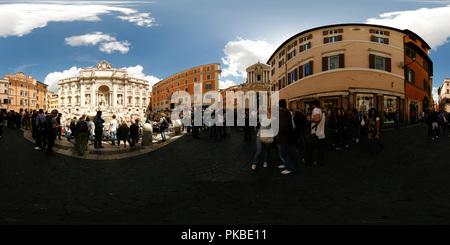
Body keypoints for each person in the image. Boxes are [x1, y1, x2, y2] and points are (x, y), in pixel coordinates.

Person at [305, 100, 326, 167]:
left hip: (316, 134)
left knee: (312, 149)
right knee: (320, 151)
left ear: (314, 105)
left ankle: (314, 161)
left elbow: (317, 119)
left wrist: (309, 119)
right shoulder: (322, 112)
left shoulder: (316, 110)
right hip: (321, 134)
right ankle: (320, 162)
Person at [277, 99, 295, 174]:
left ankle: (290, 168)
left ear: (279, 105)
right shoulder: (286, 111)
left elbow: (282, 125)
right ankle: (286, 164)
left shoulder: (283, 112)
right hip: (286, 136)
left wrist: (278, 134)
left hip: (284, 137)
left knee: (284, 153)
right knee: (285, 152)